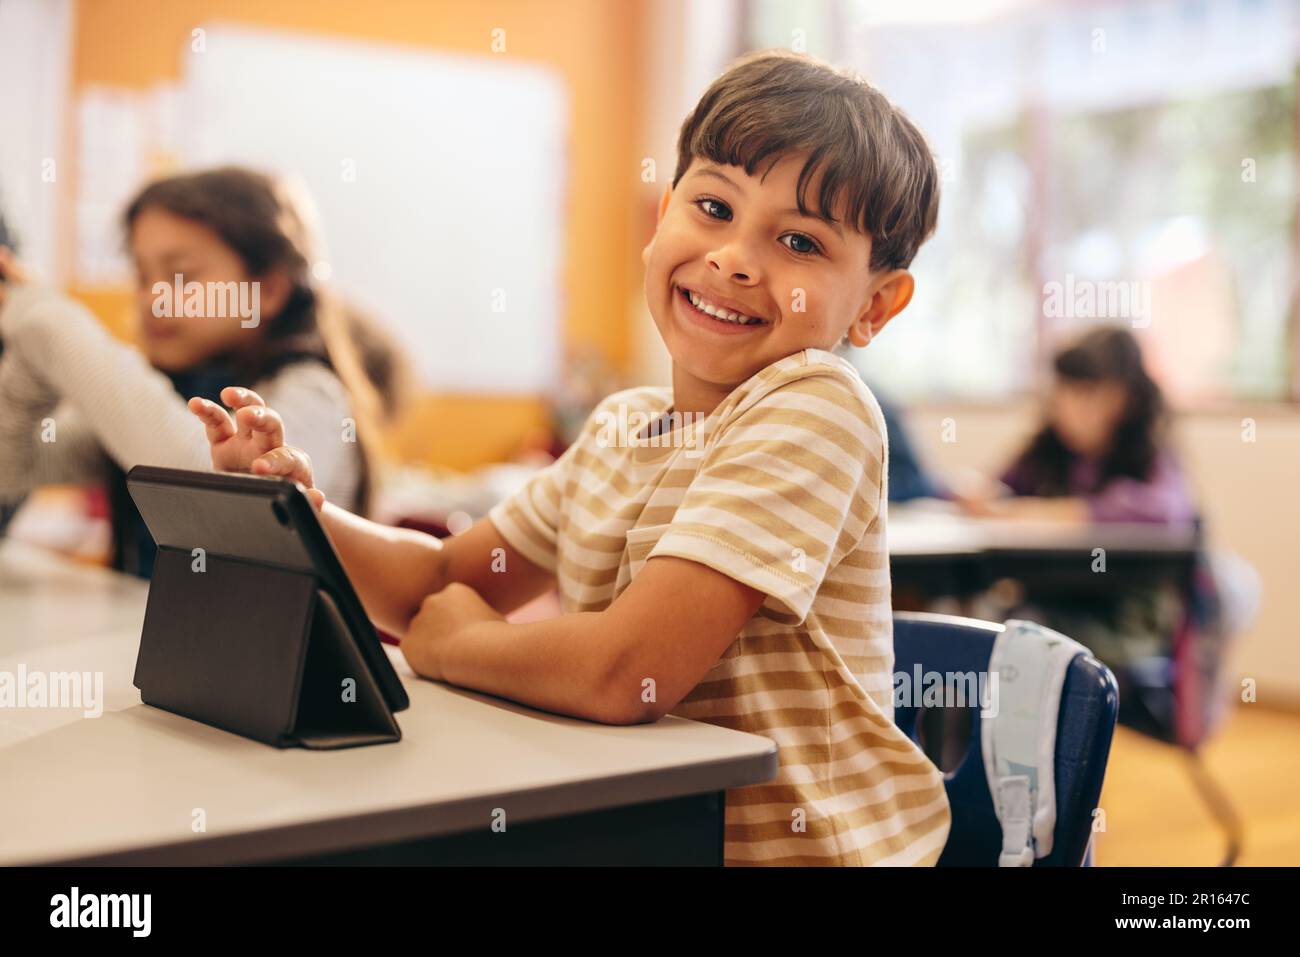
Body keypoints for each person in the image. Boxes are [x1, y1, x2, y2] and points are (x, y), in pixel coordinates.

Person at [192, 51, 950, 866]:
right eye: (713, 205)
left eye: (799, 239)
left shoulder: (816, 406)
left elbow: (628, 672)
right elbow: (441, 585)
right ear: (664, 216)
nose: (734, 257)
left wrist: (454, 648)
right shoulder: (623, 426)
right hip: (643, 830)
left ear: (873, 305)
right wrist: (300, 509)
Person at [0, 167, 408, 575]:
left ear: (267, 289)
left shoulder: (312, 394)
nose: (151, 298)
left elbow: (208, 492)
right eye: (142, 276)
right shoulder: (171, 389)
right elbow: (11, 469)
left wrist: (53, 328)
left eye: (181, 276)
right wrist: (30, 358)